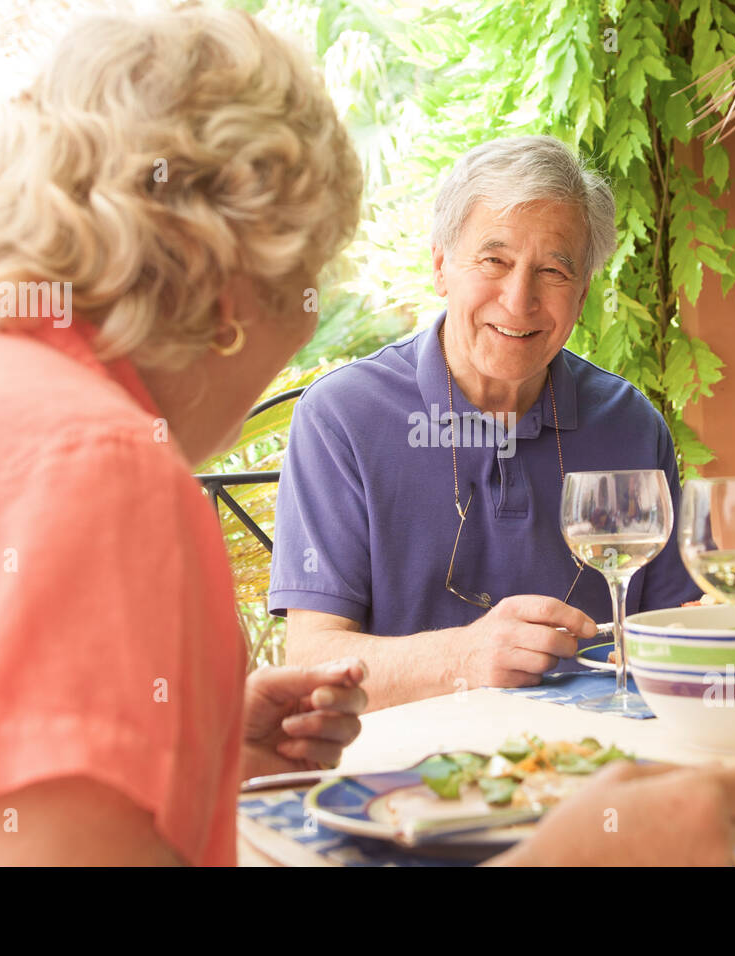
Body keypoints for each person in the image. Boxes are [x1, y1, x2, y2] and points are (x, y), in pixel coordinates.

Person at [0, 5, 735, 866]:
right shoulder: (91, 467)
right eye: (307, 272)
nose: (306, 325)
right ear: (236, 283)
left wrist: (201, 766)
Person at [270, 136, 703, 709]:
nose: (519, 299)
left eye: (553, 269)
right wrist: (466, 658)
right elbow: (311, 663)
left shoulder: (630, 424)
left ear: (582, 294)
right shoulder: (341, 417)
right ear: (441, 266)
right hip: (413, 776)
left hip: (599, 762)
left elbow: (677, 628)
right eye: (494, 260)